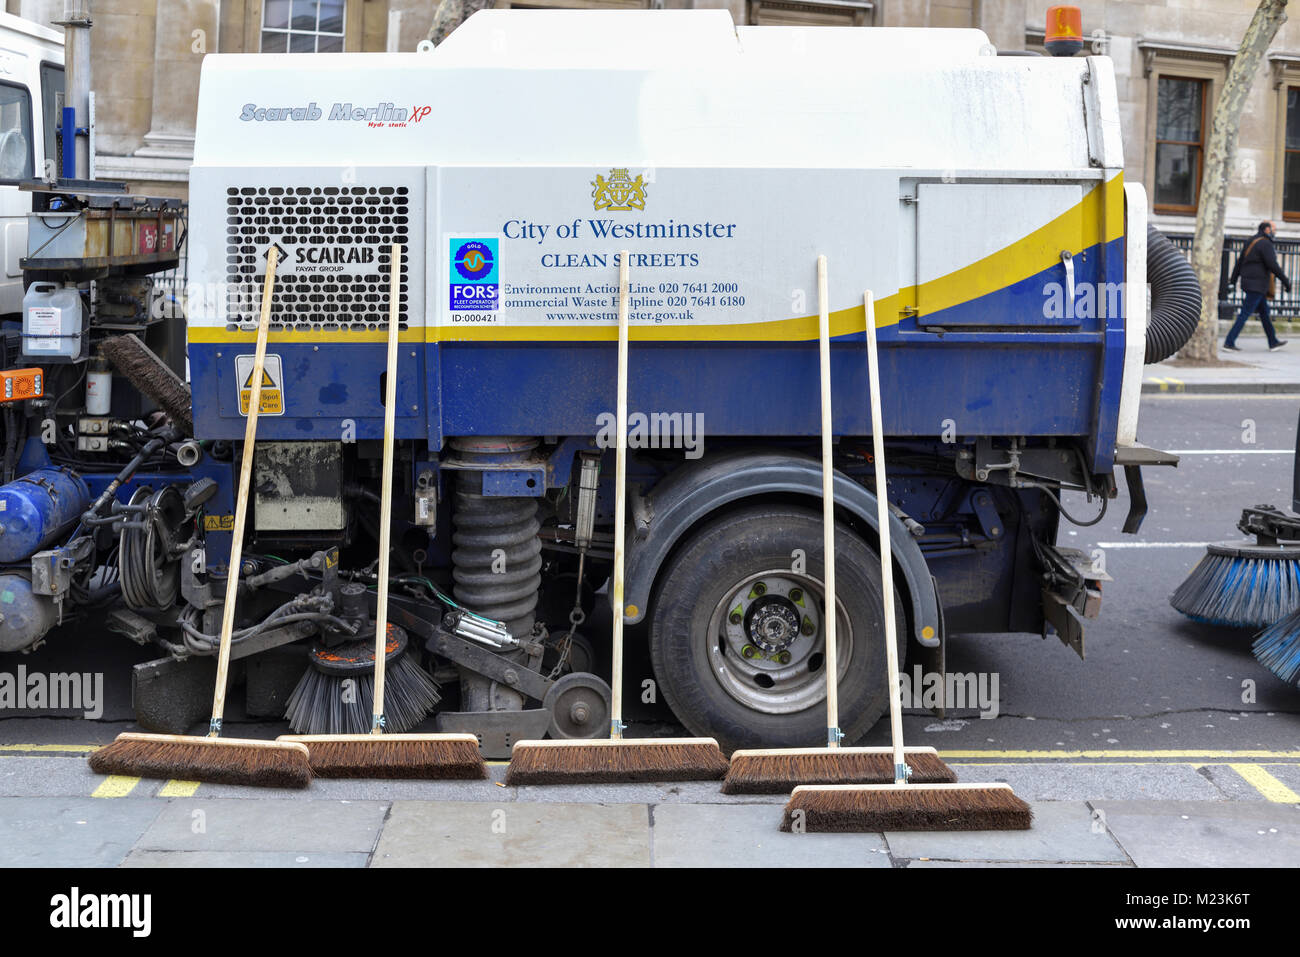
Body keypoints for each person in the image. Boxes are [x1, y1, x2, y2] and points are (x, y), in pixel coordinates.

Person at [1225, 221, 1291, 352]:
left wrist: (1233, 281)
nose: (1275, 232)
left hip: (1250, 283)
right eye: (1274, 229)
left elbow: (1239, 263)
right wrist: (1286, 281)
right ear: (1267, 229)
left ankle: (1273, 342)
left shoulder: (1251, 241)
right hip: (1257, 284)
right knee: (1245, 313)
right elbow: (1273, 265)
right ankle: (1229, 342)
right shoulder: (1265, 244)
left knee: (1264, 313)